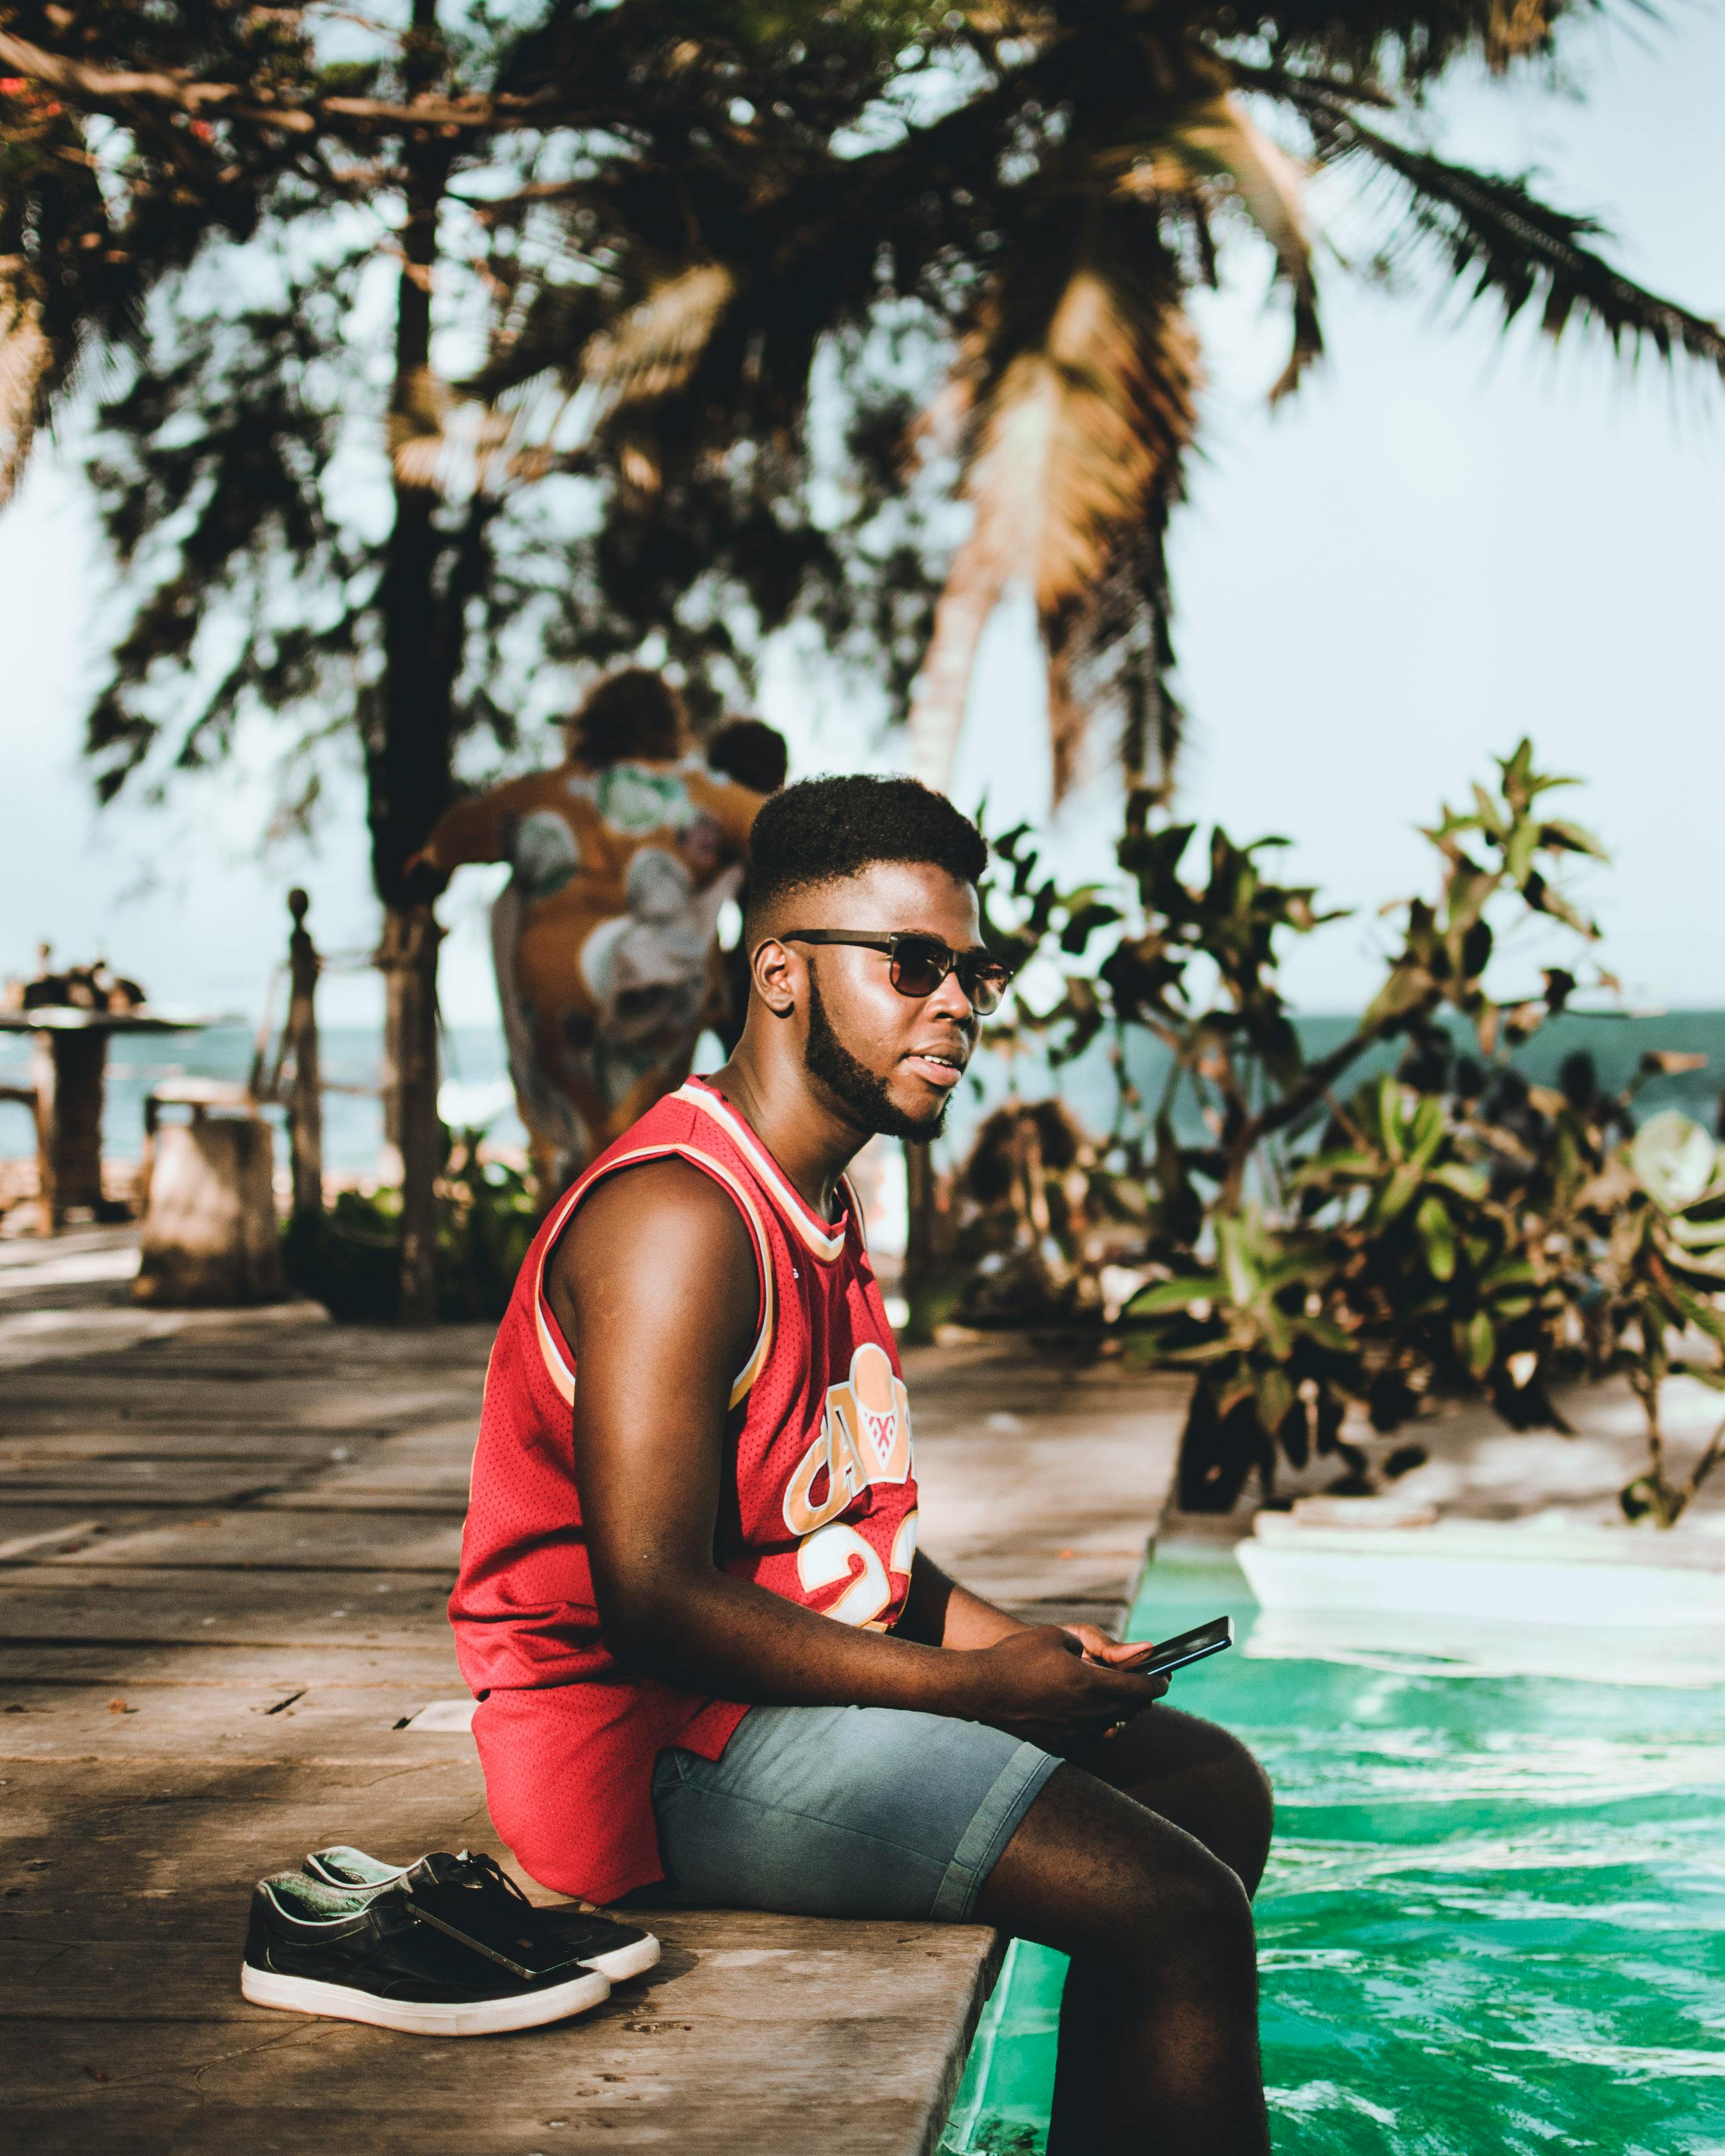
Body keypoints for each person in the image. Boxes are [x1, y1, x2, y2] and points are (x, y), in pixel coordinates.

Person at [448, 776, 1272, 2155]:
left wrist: (1024, 1649)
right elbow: (652, 1601)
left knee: (1212, 1790)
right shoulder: (679, 1221)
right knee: (1175, 1909)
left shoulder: (815, 1198)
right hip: (640, 1750)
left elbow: (836, 1528)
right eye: (911, 965)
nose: (956, 1006)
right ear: (779, 972)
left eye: (974, 973)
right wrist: (971, 1691)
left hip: (757, 1703)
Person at [407, 670, 766, 1194]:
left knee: (571, 1153)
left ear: (589, 724)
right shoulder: (702, 795)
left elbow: (451, 839)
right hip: (660, 991)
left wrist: (426, 867)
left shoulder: (540, 794)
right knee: (640, 1147)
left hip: (558, 992)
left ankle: (563, 1218)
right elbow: (780, 829)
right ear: (671, 727)